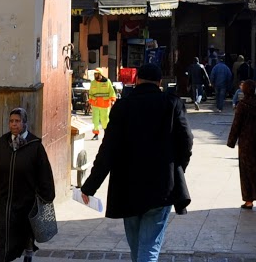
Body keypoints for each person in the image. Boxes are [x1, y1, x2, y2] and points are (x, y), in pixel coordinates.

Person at [78, 62, 193, 262]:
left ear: (137, 80)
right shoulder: (171, 103)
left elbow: (108, 150)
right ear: (159, 82)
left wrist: (90, 186)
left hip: (127, 186)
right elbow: (187, 141)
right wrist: (177, 167)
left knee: (137, 247)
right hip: (162, 185)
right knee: (148, 248)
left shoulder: (123, 106)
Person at [0, 107, 56, 262]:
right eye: (11, 121)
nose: (14, 124)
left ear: (24, 123)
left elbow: (44, 172)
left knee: (23, 232)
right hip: (2, 198)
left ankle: (28, 253)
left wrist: (46, 195)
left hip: (25, 199)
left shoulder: (35, 145)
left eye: (17, 121)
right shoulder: (3, 142)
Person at [225, 79, 256, 209]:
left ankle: (249, 200)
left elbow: (236, 124)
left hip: (246, 143)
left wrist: (231, 141)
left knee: (246, 172)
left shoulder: (242, 105)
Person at [88, 71, 117, 139]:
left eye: (96, 74)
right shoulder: (93, 82)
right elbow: (90, 92)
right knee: (95, 120)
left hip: (105, 104)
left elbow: (111, 91)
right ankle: (96, 134)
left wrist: (112, 100)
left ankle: (106, 133)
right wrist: (90, 101)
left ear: (100, 74)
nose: (95, 75)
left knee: (105, 120)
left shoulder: (107, 81)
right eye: (95, 74)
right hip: (95, 104)